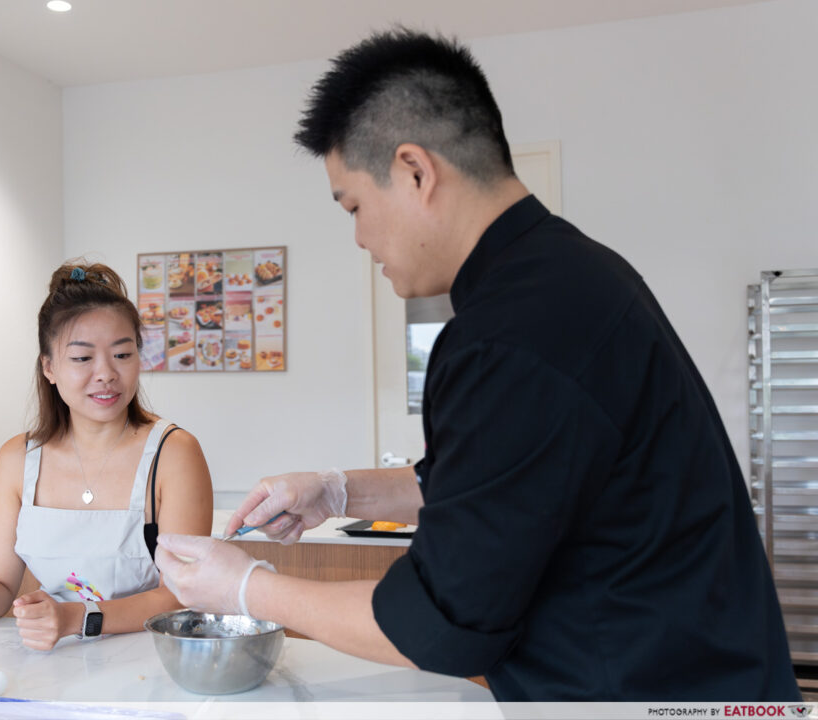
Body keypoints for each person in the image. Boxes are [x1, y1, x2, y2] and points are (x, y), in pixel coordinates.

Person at [154, 29, 800, 700]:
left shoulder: (507, 335)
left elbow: (440, 623)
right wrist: (337, 491)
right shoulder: (572, 276)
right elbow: (505, 481)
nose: (359, 237)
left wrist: (247, 587)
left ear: (414, 171)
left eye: (354, 206)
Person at [0, 261, 213, 650]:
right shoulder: (17, 459)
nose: (106, 373)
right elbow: (0, 585)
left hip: (153, 659)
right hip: (52, 655)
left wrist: (77, 617)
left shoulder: (174, 453)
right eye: (82, 358)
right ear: (49, 368)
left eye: (122, 355)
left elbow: (179, 596)